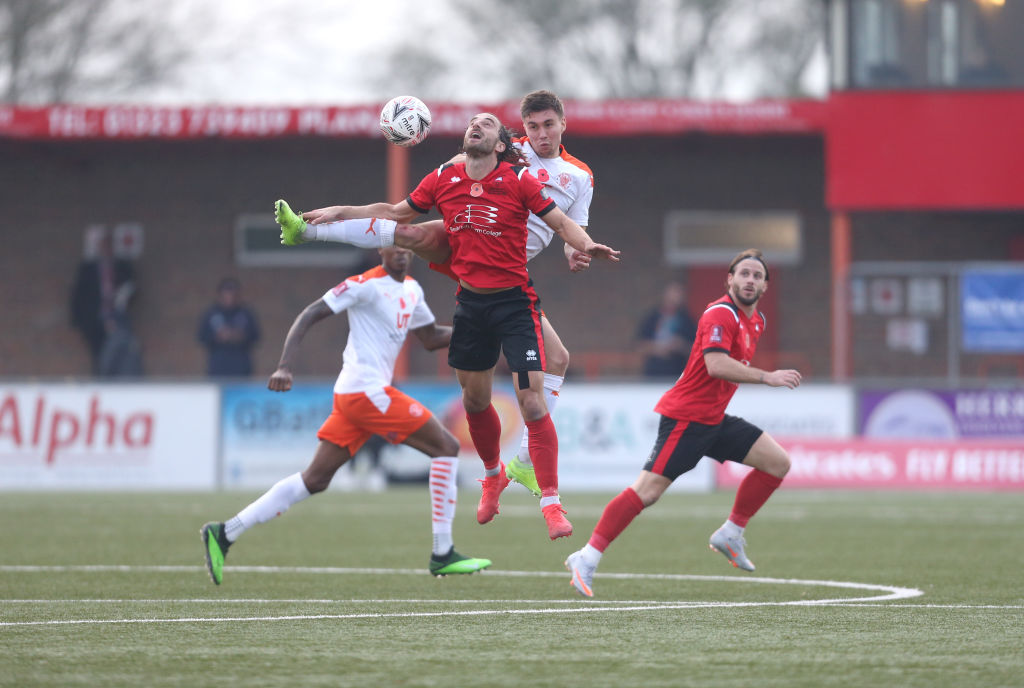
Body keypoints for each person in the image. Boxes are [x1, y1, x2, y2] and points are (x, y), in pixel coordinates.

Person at [274, 111, 620, 540]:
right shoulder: (454, 172)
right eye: (531, 126)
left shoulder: (550, 177)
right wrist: (338, 211)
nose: (540, 133)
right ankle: (305, 233)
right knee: (414, 239)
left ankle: (541, 487)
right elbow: (392, 210)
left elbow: (568, 224)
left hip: (512, 291)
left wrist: (582, 247)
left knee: (546, 380)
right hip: (470, 283)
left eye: (489, 123)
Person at [201, 246, 490, 584]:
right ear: (381, 249)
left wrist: (477, 333)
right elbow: (309, 313)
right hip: (364, 391)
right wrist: (284, 366)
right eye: (391, 244)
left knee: (314, 479)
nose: (399, 251)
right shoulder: (362, 285)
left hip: (356, 397)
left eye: (404, 244)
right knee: (447, 447)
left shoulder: (412, 289)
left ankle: (224, 532)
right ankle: (443, 553)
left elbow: (430, 338)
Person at [564, 249, 802, 597]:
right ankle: (586, 557)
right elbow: (716, 366)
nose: (750, 280)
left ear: (766, 285)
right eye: (744, 274)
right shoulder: (720, 313)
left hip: (714, 419)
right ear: (729, 280)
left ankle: (730, 534)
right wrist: (768, 377)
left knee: (777, 462)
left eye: (757, 275)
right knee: (646, 492)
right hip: (686, 418)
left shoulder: (757, 321)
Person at [70, 227, 136, 376]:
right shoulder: (88, 269)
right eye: (103, 245)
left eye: (109, 245)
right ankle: (100, 381)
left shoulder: (122, 267)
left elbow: (132, 288)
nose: (107, 249)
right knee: (99, 355)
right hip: (96, 321)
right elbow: (79, 295)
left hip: (117, 320)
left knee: (120, 352)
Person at [197, 277, 261, 377]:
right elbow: (201, 337)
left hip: (242, 369)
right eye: (227, 294)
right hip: (217, 368)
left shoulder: (245, 313)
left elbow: (256, 336)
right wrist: (218, 336)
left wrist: (240, 336)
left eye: (233, 294)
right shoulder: (211, 314)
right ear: (220, 295)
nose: (230, 297)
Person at [636, 281, 698, 378]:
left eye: (678, 294)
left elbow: (697, 349)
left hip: (676, 373)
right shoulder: (652, 318)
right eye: (673, 293)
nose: (675, 298)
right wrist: (657, 348)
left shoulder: (687, 320)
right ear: (665, 295)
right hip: (652, 374)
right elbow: (639, 346)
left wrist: (680, 345)